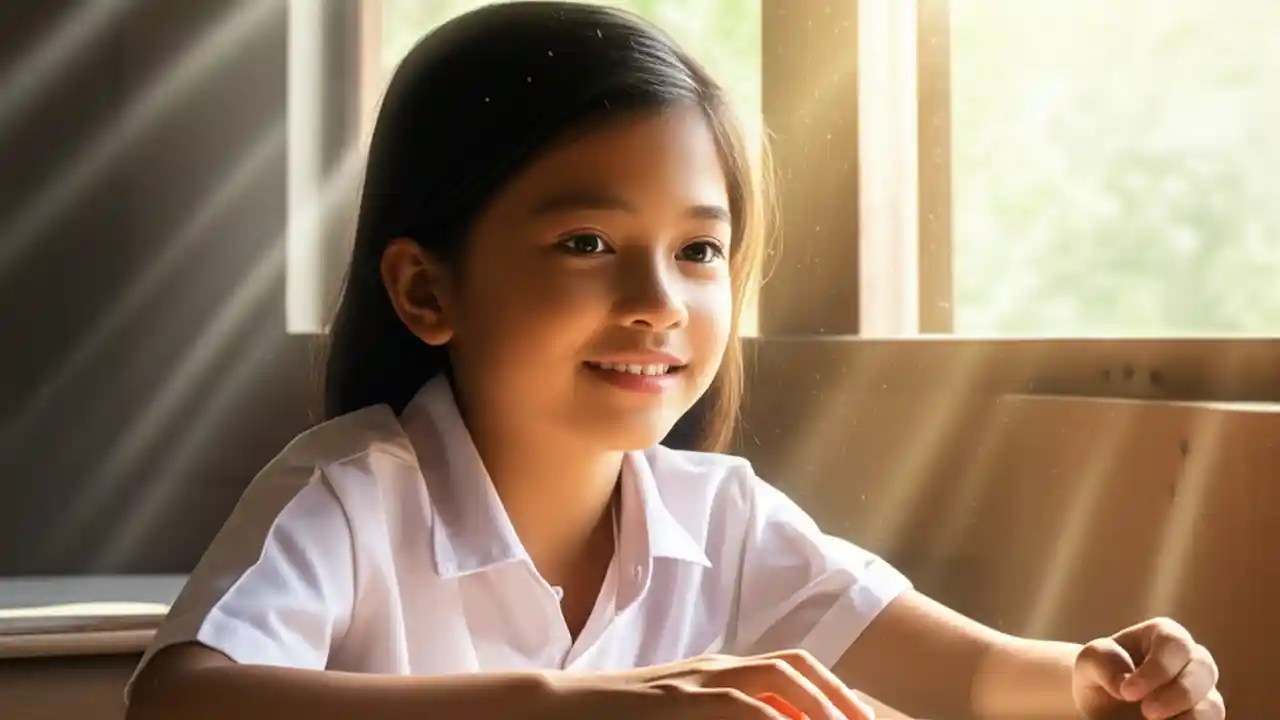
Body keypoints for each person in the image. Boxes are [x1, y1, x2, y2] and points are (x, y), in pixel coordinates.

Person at [125, 3, 1224, 719]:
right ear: (425, 289)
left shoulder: (725, 520)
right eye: (587, 245)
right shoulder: (349, 497)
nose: (659, 304)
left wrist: (1093, 679)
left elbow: (972, 672)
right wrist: (580, 704)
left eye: (699, 251)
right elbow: (178, 701)